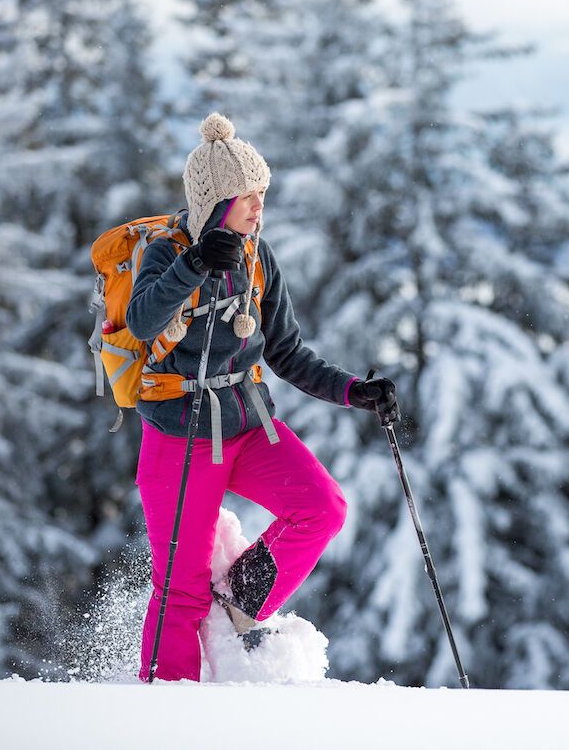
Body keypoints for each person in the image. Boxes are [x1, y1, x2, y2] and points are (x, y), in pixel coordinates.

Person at [126, 112, 397, 682]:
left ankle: (239, 604)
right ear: (214, 201)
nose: (257, 205)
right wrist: (194, 266)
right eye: (245, 195)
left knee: (322, 508)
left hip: (249, 428)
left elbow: (288, 353)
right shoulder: (166, 253)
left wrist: (355, 391)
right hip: (179, 438)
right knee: (179, 590)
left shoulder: (257, 257)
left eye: (261, 193)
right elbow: (144, 319)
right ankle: (164, 714)